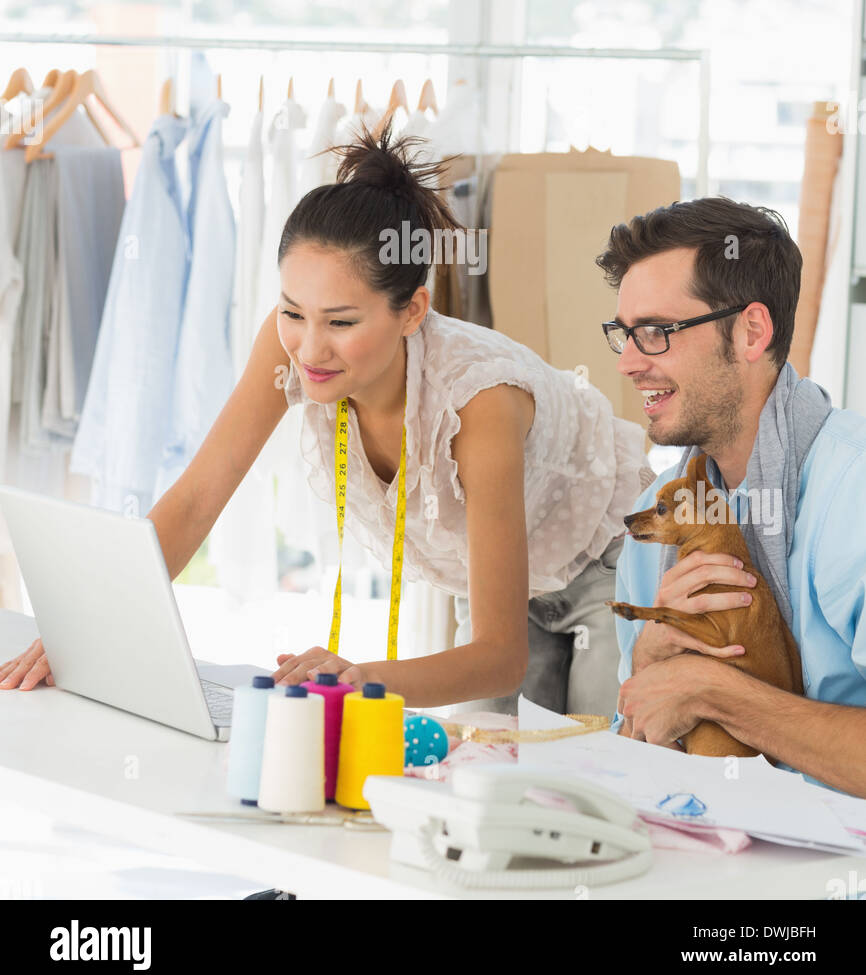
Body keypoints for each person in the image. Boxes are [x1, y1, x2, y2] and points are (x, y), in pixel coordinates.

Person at [1, 120, 651, 717]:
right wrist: (86, 627)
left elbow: (499, 657)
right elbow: (198, 497)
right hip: (493, 584)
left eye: (341, 322)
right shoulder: (291, 345)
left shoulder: (478, 406)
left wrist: (353, 676)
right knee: (491, 778)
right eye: (293, 311)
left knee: (595, 776)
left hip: (607, 567)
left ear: (413, 311)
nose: (311, 348)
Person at [598, 196, 866, 797]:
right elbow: (632, 755)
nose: (629, 363)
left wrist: (715, 690)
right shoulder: (657, 526)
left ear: (751, 331)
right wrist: (650, 669)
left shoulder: (854, 494)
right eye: (625, 334)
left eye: (657, 332)